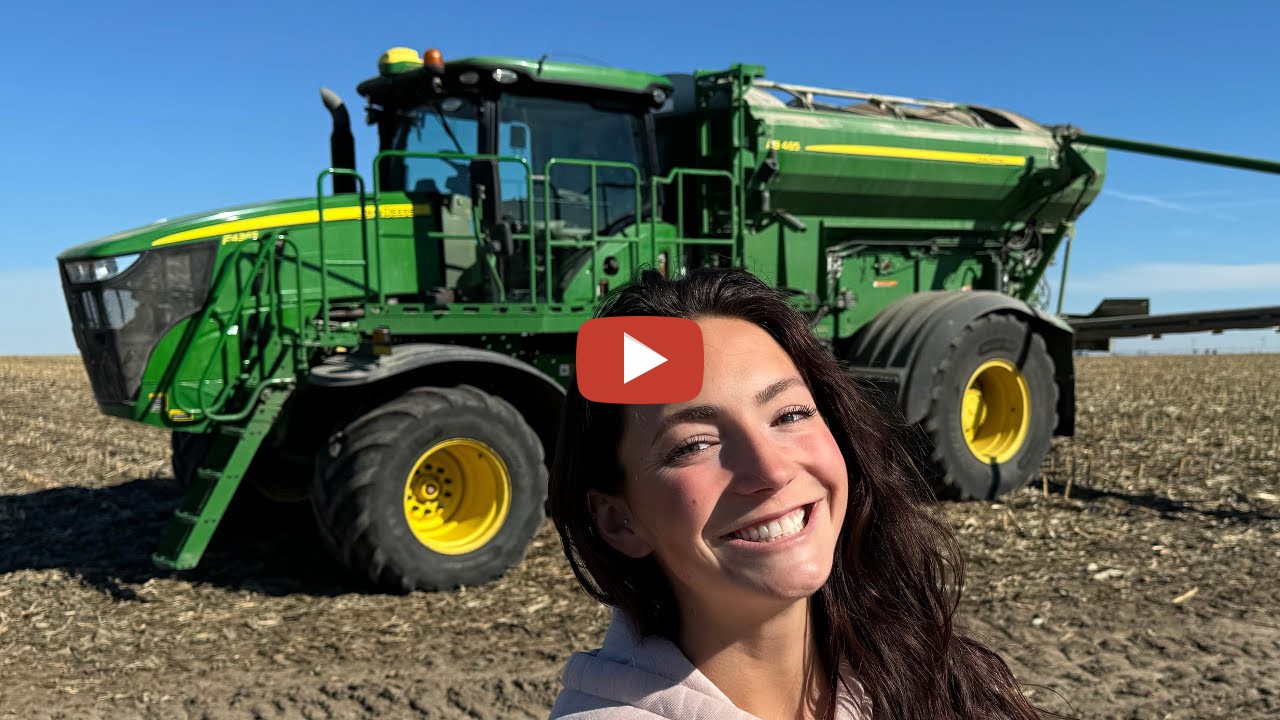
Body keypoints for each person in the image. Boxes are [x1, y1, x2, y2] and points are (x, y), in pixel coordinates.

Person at [546, 267, 1051, 720]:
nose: (770, 469)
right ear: (619, 521)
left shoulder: (915, 666)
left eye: (789, 414)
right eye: (695, 444)